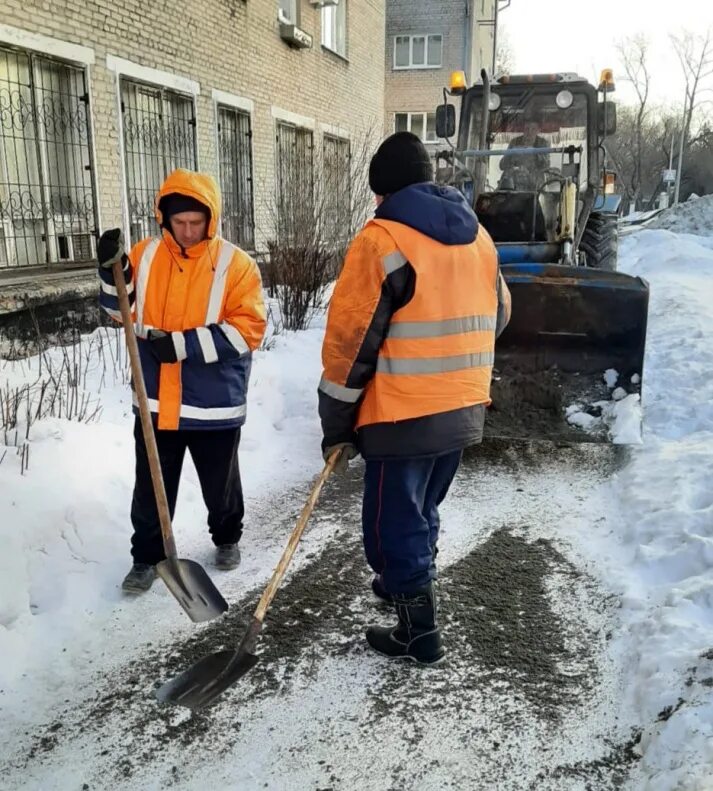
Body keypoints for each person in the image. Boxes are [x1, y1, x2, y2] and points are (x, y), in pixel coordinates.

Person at [318, 132, 511, 665]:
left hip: (401, 412)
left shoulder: (381, 240)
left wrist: (336, 424)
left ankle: (418, 633)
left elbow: (349, 343)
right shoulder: (480, 240)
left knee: (391, 524)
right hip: (463, 407)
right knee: (422, 507)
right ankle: (408, 583)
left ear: (382, 191)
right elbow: (501, 315)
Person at [97, 169, 266, 593]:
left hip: (213, 400)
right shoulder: (145, 255)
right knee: (153, 484)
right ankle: (146, 557)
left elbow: (248, 329)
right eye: (180, 223)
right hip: (156, 398)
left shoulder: (235, 265)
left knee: (220, 483)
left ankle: (226, 538)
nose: (188, 231)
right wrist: (108, 270)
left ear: (211, 219)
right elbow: (120, 309)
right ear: (164, 219)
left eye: (196, 223)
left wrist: (183, 345)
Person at [499, 120, 550, 190]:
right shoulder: (514, 142)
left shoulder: (543, 143)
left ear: (538, 130)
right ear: (523, 129)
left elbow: (546, 165)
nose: (529, 132)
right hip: (514, 185)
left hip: (535, 186)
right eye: (527, 128)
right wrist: (513, 153)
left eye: (533, 129)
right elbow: (502, 165)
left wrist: (533, 152)